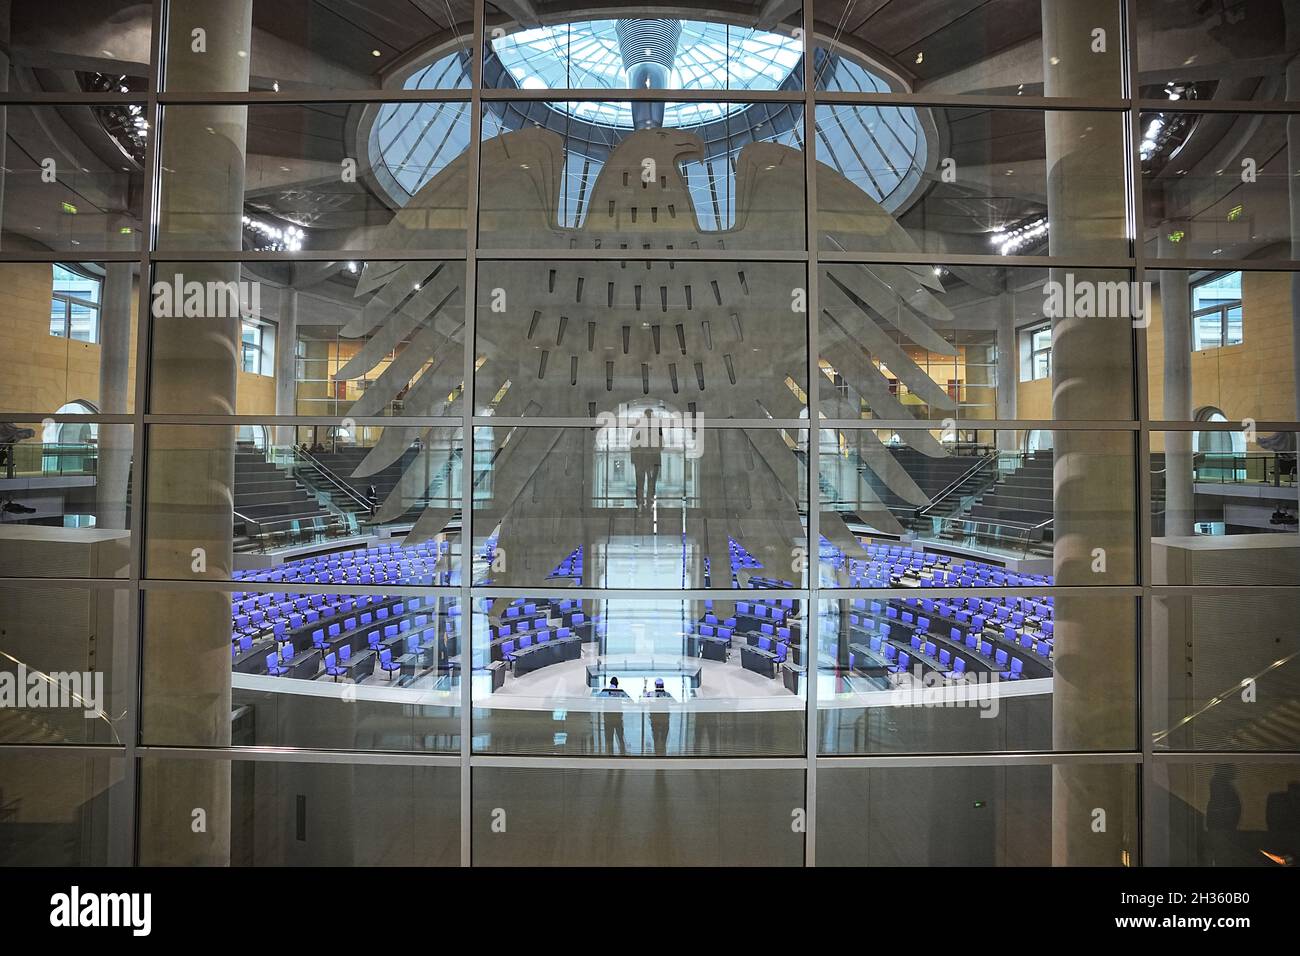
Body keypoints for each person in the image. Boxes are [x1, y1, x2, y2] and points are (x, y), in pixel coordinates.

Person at [631, 408, 662, 513]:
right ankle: (645, 504)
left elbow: (633, 444)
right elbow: (661, 444)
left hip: (645, 458)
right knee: (647, 483)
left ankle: (644, 504)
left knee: (645, 483)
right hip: (648, 458)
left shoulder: (641, 426)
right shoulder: (655, 427)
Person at [598, 676, 628, 754]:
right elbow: (629, 700)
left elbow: (596, 699)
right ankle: (623, 753)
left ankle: (610, 754)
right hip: (618, 719)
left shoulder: (605, 691)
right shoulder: (620, 692)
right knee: (620, 738)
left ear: (610, 683)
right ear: (617, 684)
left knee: (609, 738)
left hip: (607, 719)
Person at [644, 677, 673, 756]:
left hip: (656, 719)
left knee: (656, 738)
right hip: (663, 719)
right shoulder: (667, 694)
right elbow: (674, 702)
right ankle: (663, 755)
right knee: (662, 739)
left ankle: (657, 755)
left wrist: (645, 686)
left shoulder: (651, 694)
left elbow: (644, 698)